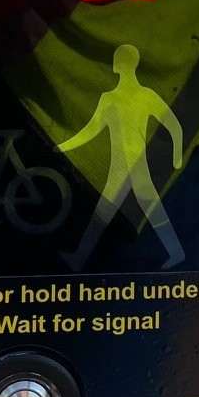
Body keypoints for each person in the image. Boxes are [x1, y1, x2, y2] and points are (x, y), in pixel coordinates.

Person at [59, 44, 185, 270]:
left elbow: (173, 126)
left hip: (133, 167)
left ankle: (80, 257)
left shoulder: (132, 97)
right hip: (122, 167)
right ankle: (79, 257)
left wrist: (177, 156)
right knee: (115, 210)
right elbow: (174, 127)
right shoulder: (125, 97)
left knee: (123, 209)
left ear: (119, 64)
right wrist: (64, 146)